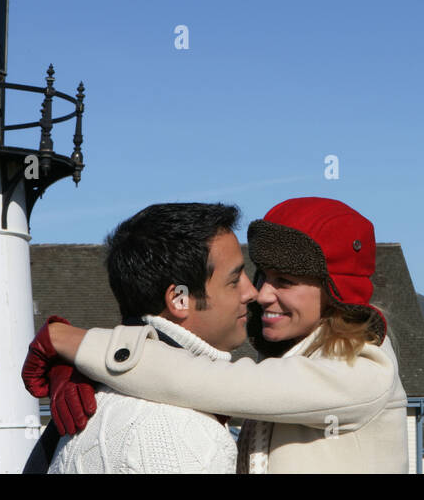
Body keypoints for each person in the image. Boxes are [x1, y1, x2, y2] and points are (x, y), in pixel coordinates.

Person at [27, 197, 409, 473]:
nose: (260, 293)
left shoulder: (363, 369)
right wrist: (90, 369)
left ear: (333, 292)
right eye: (263, 275)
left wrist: (78, 346)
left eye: (286, 281)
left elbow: (212, 381)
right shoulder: (296, 358)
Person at [22, 202, 256, 473]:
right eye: (234, 279)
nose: (252, 292)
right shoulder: (186, 435)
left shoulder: (96, 398)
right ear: (178, 299)